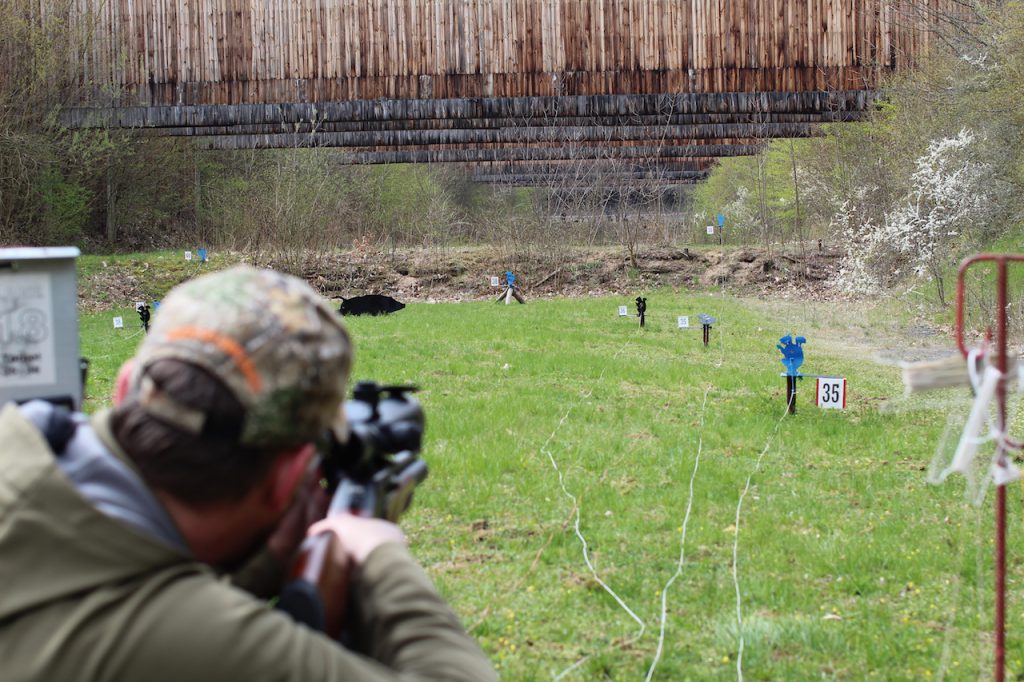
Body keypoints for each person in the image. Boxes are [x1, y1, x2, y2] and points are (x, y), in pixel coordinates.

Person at [0, 265, 497, 682]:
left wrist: (265, 564)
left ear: (127, 385)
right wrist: (377, 553)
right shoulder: (172, 635)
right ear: (290, 476)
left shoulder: (21, 437)